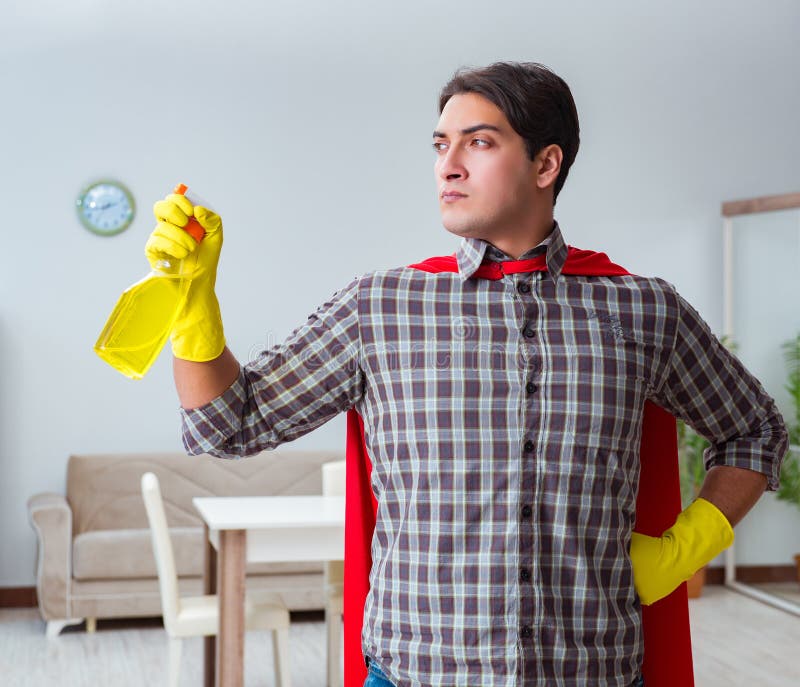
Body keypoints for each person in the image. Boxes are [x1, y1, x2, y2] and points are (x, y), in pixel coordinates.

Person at [145, 62, 788, 687]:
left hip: (594, 670)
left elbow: (756, 431)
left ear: (546, 164)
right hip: (415, 673)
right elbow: (226, 425)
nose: (448, 165)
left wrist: (681, 550)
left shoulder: (643, 311)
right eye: (440, 144)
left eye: (478, 142)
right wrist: (194, 305)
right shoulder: (380, 309)